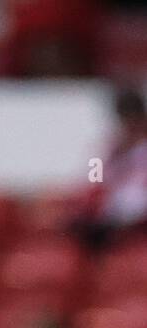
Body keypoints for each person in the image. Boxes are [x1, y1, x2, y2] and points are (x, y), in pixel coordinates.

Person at [70, 87, 147, 251]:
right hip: (111, 216)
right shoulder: (107, 148)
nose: (130, 124)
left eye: (134, 118)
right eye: (125, 118)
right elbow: (92, 181)